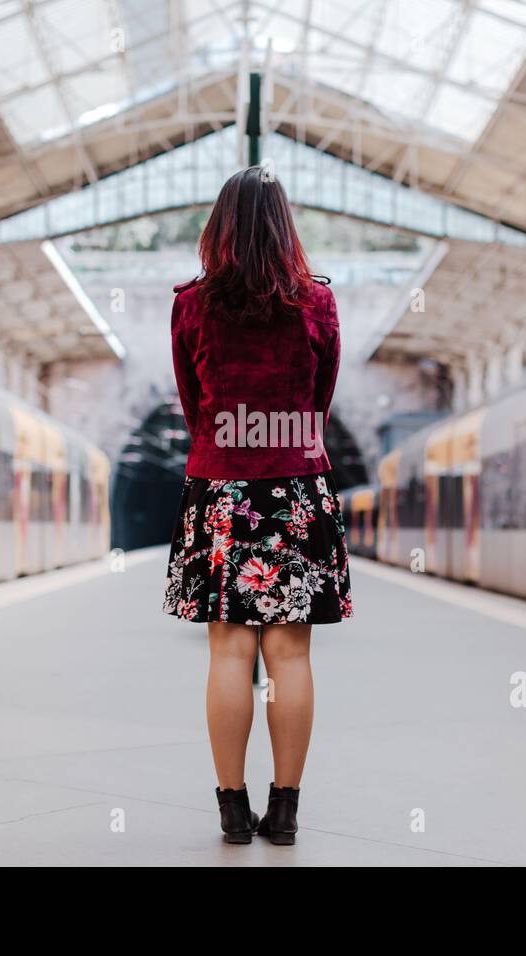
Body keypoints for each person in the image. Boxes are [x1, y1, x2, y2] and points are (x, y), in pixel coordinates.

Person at [162, 165, 353, 846]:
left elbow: (193, 407)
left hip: (220, 488)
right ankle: (287, 811)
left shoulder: (190, 305)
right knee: (290, 658)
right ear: (286, 229)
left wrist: (226, 443)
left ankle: (232, 811)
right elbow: (320, 403)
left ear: (217, 229)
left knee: (228, 654)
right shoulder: (318, 304)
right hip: (296, 486)